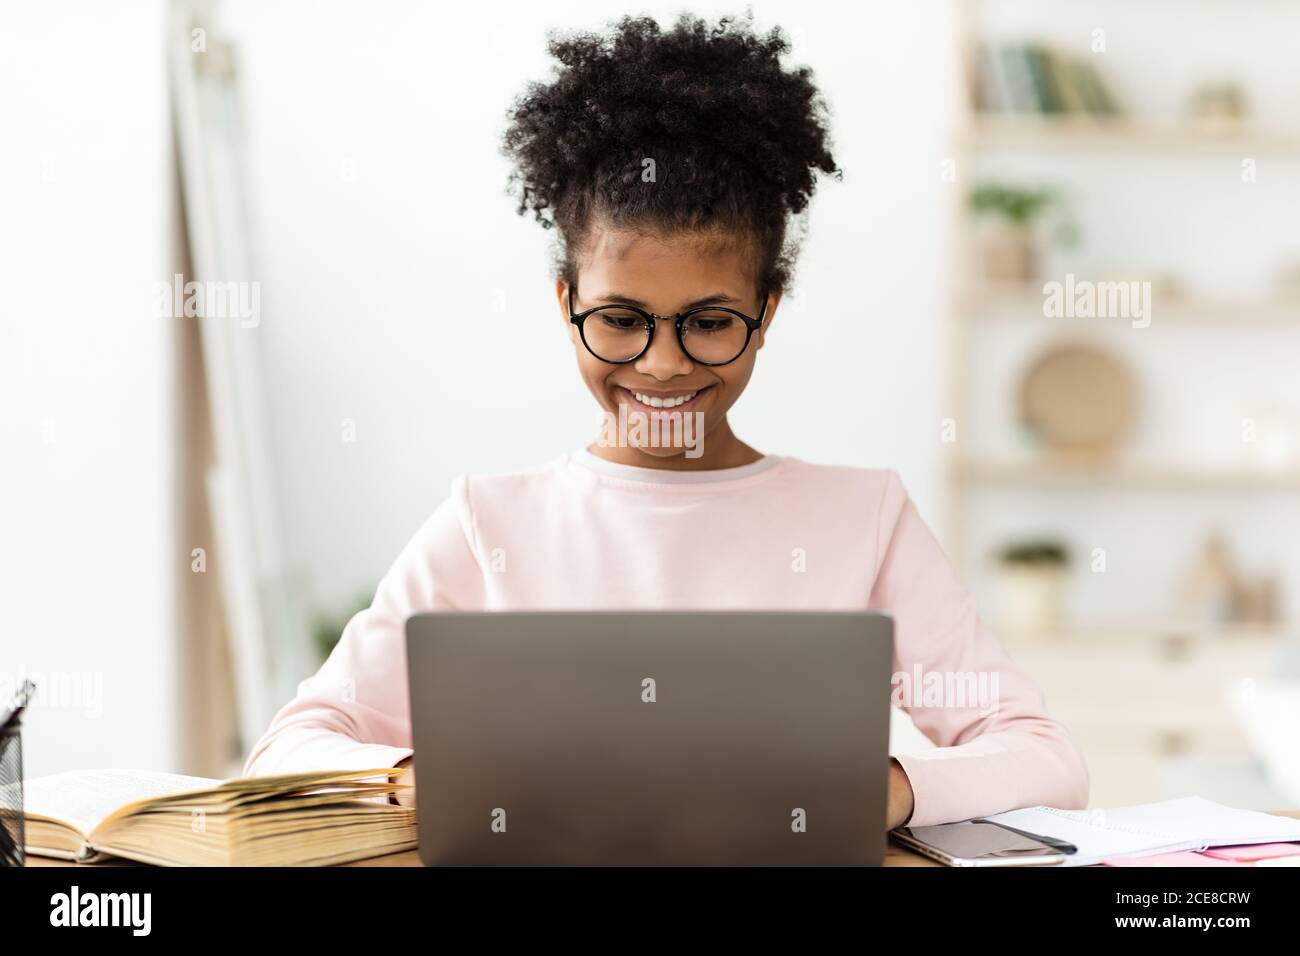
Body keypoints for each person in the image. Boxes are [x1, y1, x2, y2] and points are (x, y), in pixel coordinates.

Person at [243, 11, 1089, 830]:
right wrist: (405, 774)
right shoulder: (486, 524)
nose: (662, 364)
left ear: (769, 308)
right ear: (566, 301)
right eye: (620, 319)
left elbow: (1046, 759)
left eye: (711, 321)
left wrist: (893, 789)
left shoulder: (863, 521)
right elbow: (286, 750)